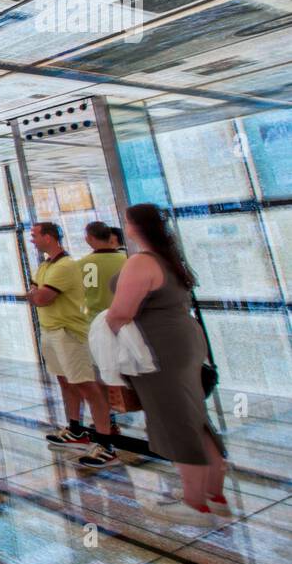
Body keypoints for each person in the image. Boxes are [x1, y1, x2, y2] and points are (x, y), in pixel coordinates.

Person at [107, 204, 228, 524]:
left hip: (158, 348)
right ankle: (213, 494)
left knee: (175, 421)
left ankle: (194, 503)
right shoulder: (171, 260)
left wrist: (108, 337)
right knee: (194, 416)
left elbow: (121, 312)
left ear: (133, 226)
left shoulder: (141, 262)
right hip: (185, 340)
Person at [28, 222, 117, 469]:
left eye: (35, 235)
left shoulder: (66, 266)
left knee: (86, 384)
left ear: (49, 236)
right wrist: (37, 294)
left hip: (69, 332)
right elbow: (35, 294)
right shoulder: (46, 265)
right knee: (65, 380)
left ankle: (105, 443)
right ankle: (76, 428)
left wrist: (37, 295)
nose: (32, 239)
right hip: (51, 330)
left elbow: (41, 297)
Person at [79, 221, 129, 437]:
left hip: (96, 327)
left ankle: (108, 422)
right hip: (126, 326)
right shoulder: (127, 260)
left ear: (89, 238)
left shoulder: (82, 264)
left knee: (102, 377)